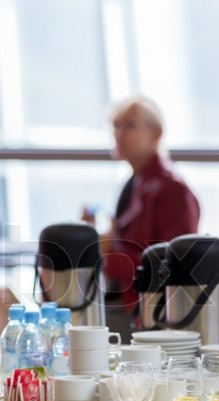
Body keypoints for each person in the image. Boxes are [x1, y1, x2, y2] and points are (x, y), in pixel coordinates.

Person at [84, 95, 200, 315]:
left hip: (154, 311)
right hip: (131, 301)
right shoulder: (134, 184)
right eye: (116, 126)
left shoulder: (173, 191)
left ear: (156, 133)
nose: (118, 134)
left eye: (129, 126)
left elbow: (173, 267)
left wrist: (110, 252)